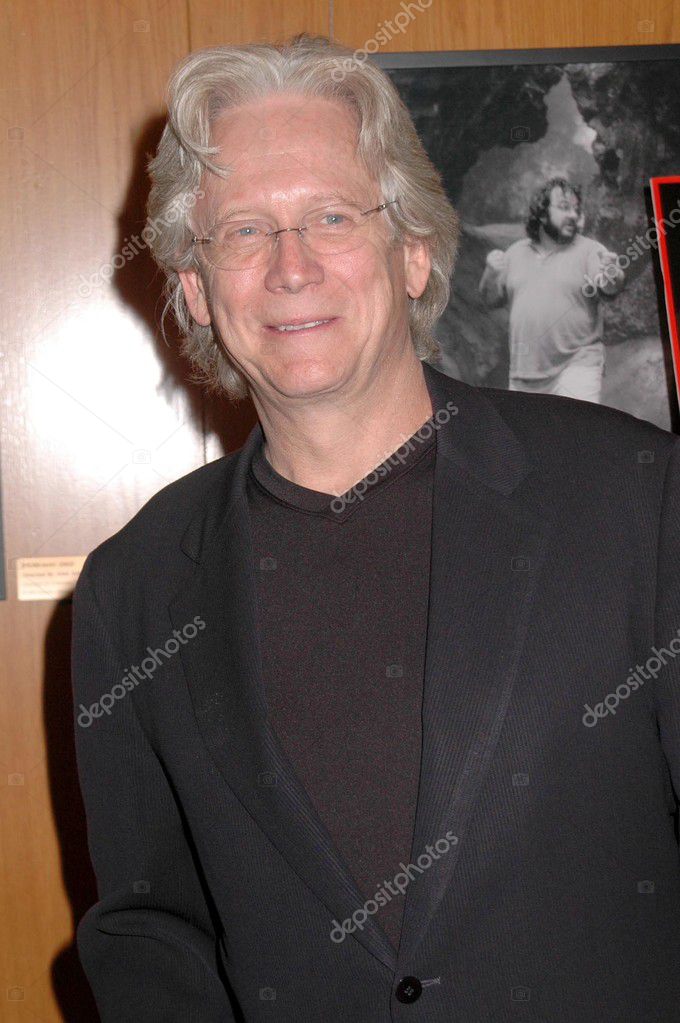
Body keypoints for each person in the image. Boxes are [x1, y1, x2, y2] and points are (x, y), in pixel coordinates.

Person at [71, 35, 680, 1023]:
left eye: (329, 215)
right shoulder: (132, 590)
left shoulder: (635, 497)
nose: (291, 265)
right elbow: (150, 930)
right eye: (241, 231)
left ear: (412, 251)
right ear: (193, 287)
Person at [479, 176, 625, 402]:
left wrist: (612, 274)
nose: (573, 216)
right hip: (524, 376)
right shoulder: (515, 252)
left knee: (575, 434)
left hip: (578, 365)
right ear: (542, 212)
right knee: (530, 438)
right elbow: (489, 300)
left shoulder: (590, 251)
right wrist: (490, 271)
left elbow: (610, 287)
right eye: (564, 208)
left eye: (576, 209)